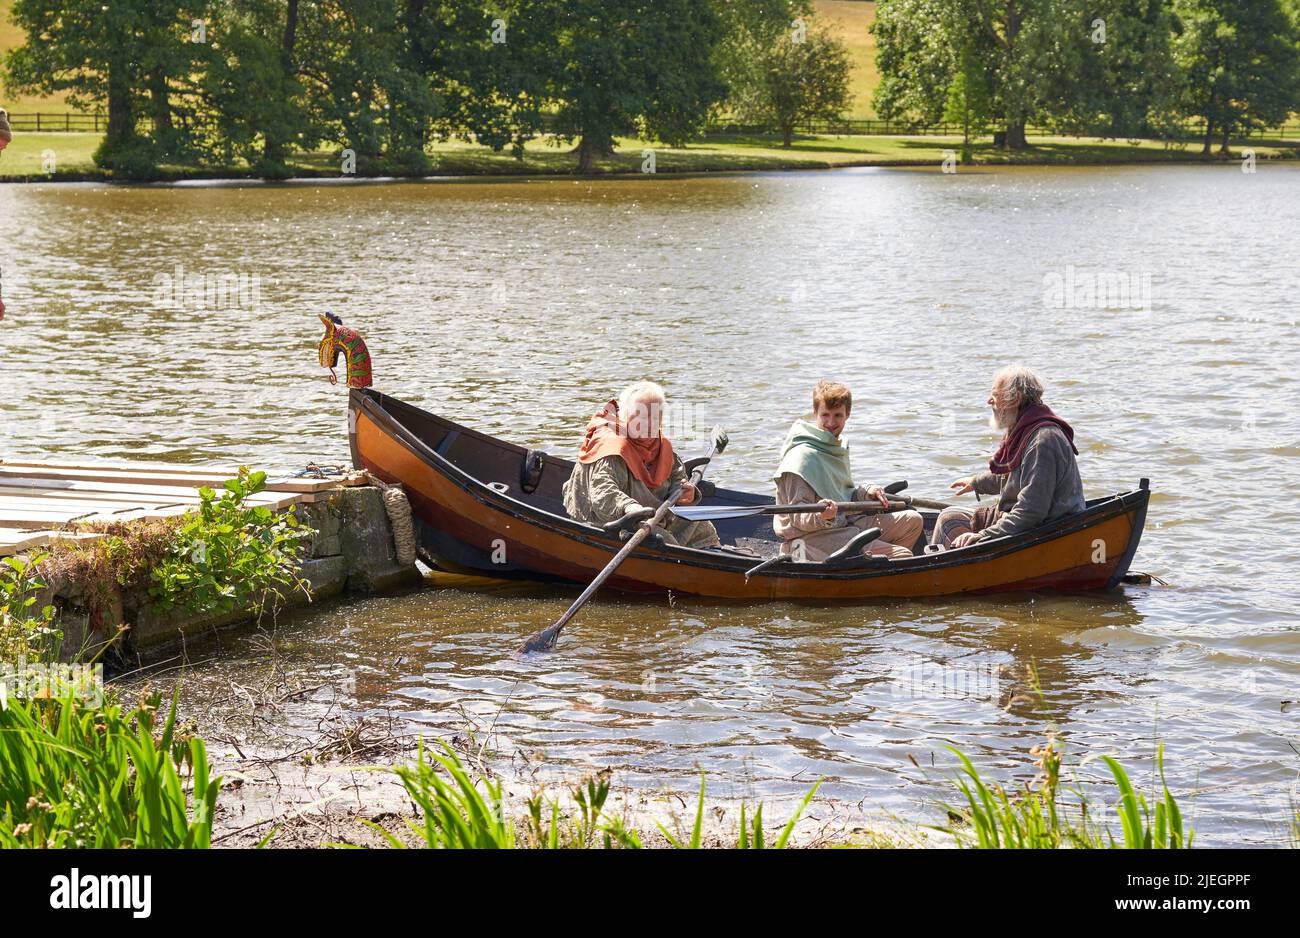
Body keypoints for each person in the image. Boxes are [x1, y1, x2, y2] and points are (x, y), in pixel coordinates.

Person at [932, 365, 1085, 549]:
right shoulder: (1025, 428)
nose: (989, 401)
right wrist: (975, 482)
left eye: (995, 396)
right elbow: (1012, 476)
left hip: (1044, 532)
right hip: (1025, 521)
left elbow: (1031, 511)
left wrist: (983, 535)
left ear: (1015, 399)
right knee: (949, 517)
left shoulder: (1042, 441)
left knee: (949, 524)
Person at [771, 380, 922, 561]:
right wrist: (823, 516)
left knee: (913, 521)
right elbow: (798, 518)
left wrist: (868, 491)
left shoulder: (835, 447)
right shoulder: (800, 458)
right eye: (825, 414)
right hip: (808, 537)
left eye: (838, 415)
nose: (831, 422)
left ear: (847, 414)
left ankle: (869, 575)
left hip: (843, 523)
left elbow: (843, 495)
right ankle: (872, 572)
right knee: (902, 555)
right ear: (815, 413)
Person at [562, 380, 720, 549]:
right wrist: (630, 508)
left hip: (654, 516)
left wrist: (686, 494)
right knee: (659, 540)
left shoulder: (660, 445)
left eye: (655, 416)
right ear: (625, 416)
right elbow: (603, 492)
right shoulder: (613, 447)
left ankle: (716, 560)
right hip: (608, 519)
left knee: (701, 525)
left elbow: (677, 478)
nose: (649, 423)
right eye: (642, 416)